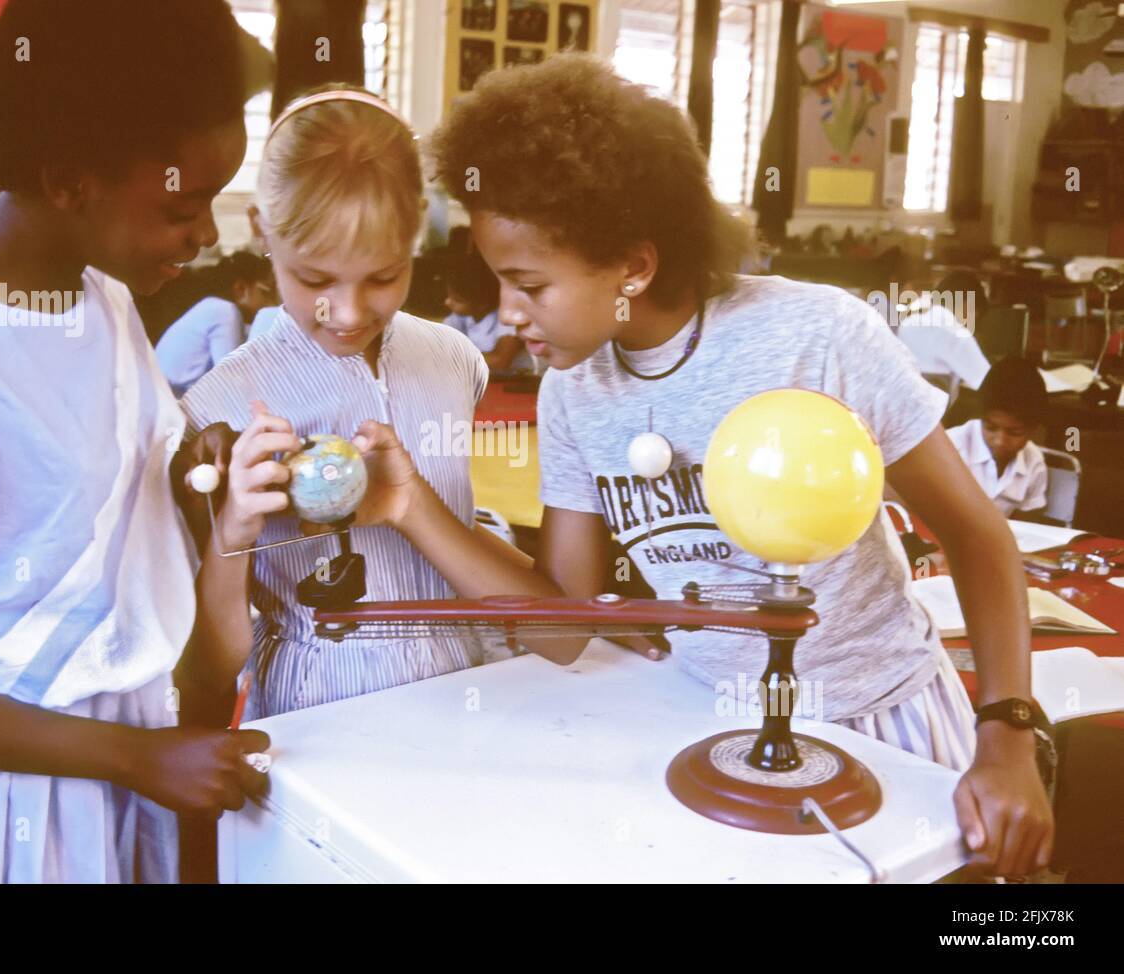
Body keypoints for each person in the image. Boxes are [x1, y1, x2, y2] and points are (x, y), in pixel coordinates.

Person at [413, 54, 1052, 878]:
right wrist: (415, 511)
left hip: (881, 719)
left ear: (634, 267)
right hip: (714, 726)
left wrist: (1006, 733)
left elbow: (976, 534)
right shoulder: (573, 390)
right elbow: (564, 629)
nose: (507, 312)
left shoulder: (818, 336)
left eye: (528, 283)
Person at [0, 0, 272, 883]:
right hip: (1, 803)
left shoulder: (102, 299)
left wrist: (191, 464)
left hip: (131, 762)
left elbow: (98, 486)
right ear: (71, 181)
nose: (208, 234)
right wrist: (131, 758)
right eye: (184, 204)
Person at [180, 87, 557, 721]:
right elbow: (203, 674)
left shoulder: (454, 359)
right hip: (321, 708)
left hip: (469, 691)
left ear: (415, 233)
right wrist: (234, 530)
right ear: (261, 232)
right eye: (315, 279)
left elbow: (465, 542)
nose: (348, 313)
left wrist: (576, 611)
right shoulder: (217, 406)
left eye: (383, 277)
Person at [154, 251, 276, 396]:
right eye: (267, 292)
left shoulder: (212, 308)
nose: (272, 302)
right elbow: (231, 377)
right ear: (241, 288)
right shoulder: (224, 311)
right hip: (173, 400)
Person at [947, 358, 1049, 519]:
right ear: (981, 418)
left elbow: (1030, 523)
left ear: (1033, 431)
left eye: (1014, 432)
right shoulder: (950, 446)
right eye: (991, 428)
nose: (1000, 441)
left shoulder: (1034, 463)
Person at [441, 227, 532, 374]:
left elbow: (500, 361)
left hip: (516, 382)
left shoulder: (505, 320)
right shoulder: (460, 318)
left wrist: (452, 357)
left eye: (457, 300)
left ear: (481, 305)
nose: (447, 302)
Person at [893, 269, 991, 393]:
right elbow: (987, 384)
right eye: (976, 315)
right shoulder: (956, 334)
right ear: (968, 305)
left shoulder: (907, 324)